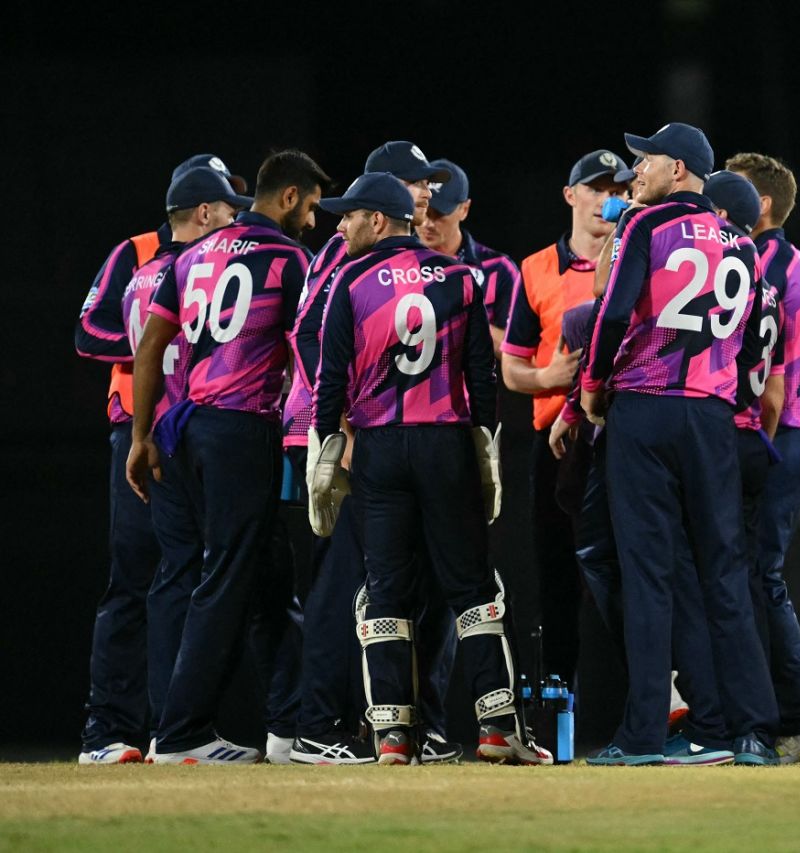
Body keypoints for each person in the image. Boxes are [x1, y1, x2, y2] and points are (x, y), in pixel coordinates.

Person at [311, 172, 550, 765]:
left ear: (376, 219)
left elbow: (329, 382)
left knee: (386, 589)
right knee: (471, 586)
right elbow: (481, 376)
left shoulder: (348, 281)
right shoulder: (463, 278)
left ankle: (393, 736)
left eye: (349, 216)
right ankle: (497, 730)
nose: (340, 227)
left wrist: (326, 452)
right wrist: (486, 445)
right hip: (444, 443)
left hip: (380, 448)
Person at [581, 123, 778, 766]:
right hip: (713, 420)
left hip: (646, 407)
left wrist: (592, 382)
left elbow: (612, 312)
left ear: (680, 169)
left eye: (648, 160)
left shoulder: (645, 226)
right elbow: (753, 350)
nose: (638, 171)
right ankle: (749, 731)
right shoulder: (745, 248)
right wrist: (725, 402)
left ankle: (642, 736)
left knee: (649, 576)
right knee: (726, 575)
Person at [126, 149, 329, 764]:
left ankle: (289, 727)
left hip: (185, 429)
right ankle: (182, 732)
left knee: (269, 577)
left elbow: (150, 345)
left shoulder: (190, 256)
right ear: (289, 198)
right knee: (227, 579)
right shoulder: (292, 258)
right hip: (242, 430)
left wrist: (140, 438)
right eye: (314, 207)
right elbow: (312, 347)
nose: (316, 222)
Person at [283, 141, 464, 765]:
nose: (425, 193)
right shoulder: (348, 247)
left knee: (397, 584)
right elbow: (309, 335)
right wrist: (342, 427)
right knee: (345, 585)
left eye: (430, 182)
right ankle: (318, 726)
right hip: (350, 436)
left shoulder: (408, 254)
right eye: (416, 182)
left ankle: (402, 724)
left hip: (389, 435)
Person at [72, 157, 241, 765]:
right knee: (133, 579)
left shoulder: (226, 259)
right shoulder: (136, 253)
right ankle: (107, 733)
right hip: (138, 434)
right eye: (225, 206)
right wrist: (154, 335)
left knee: (190, 578)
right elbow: (89, 331)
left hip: (192, 432)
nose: (232, 217)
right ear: (202, 209)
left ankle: (178, 729)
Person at [724, 152, 800, 763]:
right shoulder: (793, 262)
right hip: (788, 428)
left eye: (734, 190)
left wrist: (782, 433)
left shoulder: (763, 260)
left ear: (762, 204)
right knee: (751, 574)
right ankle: (783, 714)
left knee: (756, 574)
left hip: (768, 431)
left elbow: (777, 370)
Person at [501, 150, 633, 691]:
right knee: (557, 579)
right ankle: (559, 714)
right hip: (556, 445)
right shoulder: (535, 268)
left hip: (622, 438)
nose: (607, 198)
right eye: (595, 187)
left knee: (631, 576)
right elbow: (512, 370)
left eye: (616, 187)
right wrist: (552, 376)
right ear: (569, 195)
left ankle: (655, 709)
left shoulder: (640, 259)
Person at [416, 158, 522, 356]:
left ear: (464, 209)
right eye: (423, 211)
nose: (427, 223)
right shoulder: (395, 263)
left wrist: (462, 316)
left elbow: (518, 351)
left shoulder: (498, 269)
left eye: (439, 214)